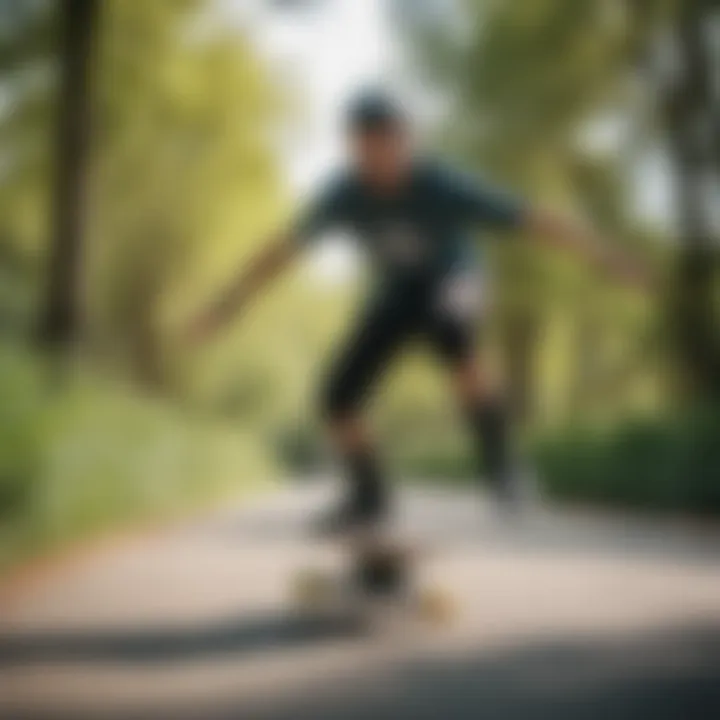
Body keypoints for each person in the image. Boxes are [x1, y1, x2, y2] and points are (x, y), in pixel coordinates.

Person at [186, 90, 642, 533]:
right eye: (367, 148)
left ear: (408, 142)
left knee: (453, 331)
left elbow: (531, 219)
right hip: (397, 292)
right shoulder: (343, 193)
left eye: (391, 144)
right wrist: (226, 308)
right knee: (337, 397)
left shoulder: (441, 184)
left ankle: (504, 468)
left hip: (458, 280)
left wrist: (605, 256)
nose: (381, 160)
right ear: (353, 148)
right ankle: (369, 498)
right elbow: (282, 252)